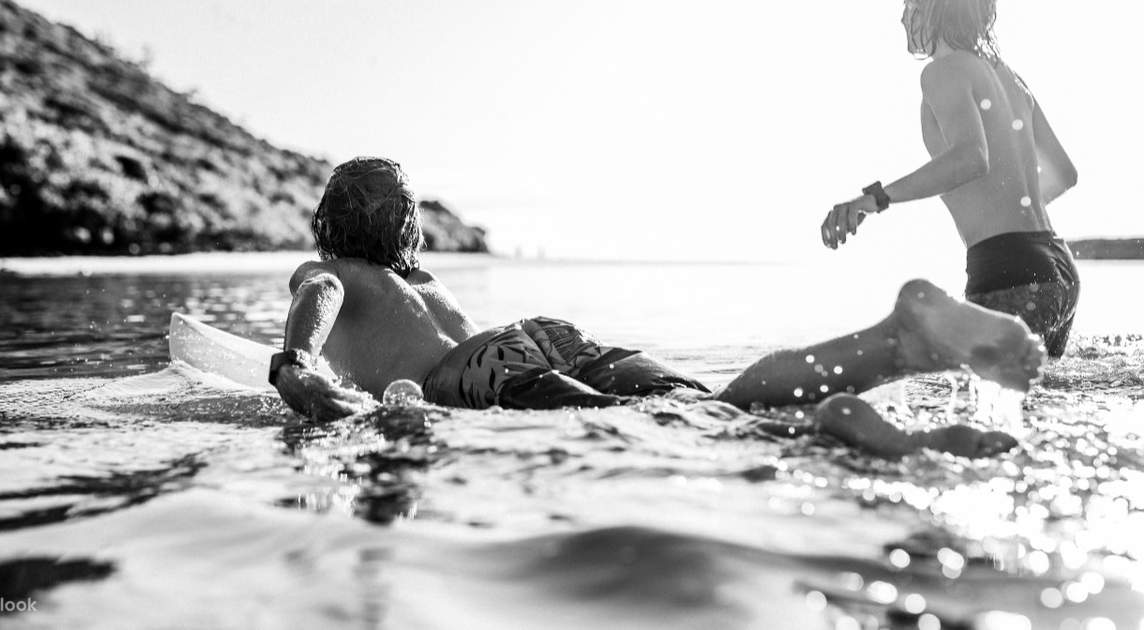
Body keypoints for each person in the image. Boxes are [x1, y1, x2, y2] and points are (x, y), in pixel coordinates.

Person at [273, 157, 1043, 458]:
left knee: (682, 434)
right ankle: (892, 342)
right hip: (539, 334)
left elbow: (320, 295)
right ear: (406, 231)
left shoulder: (337, 271)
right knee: (708, 404)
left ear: (331, 224)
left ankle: (824, 431)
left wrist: (295, 364)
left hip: (470, 376)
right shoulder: (425, 285)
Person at [820, 0, 1079, 358]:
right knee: (1036, 399)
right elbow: (1064, 174)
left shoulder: (942, 71)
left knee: (984, 407)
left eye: (909, 5)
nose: (901, 17)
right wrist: (1002, 210)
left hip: (1008, 273)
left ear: (933, 9)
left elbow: (972, 157)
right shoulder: (1010, 78)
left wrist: (876, 199)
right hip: (1058, 270)